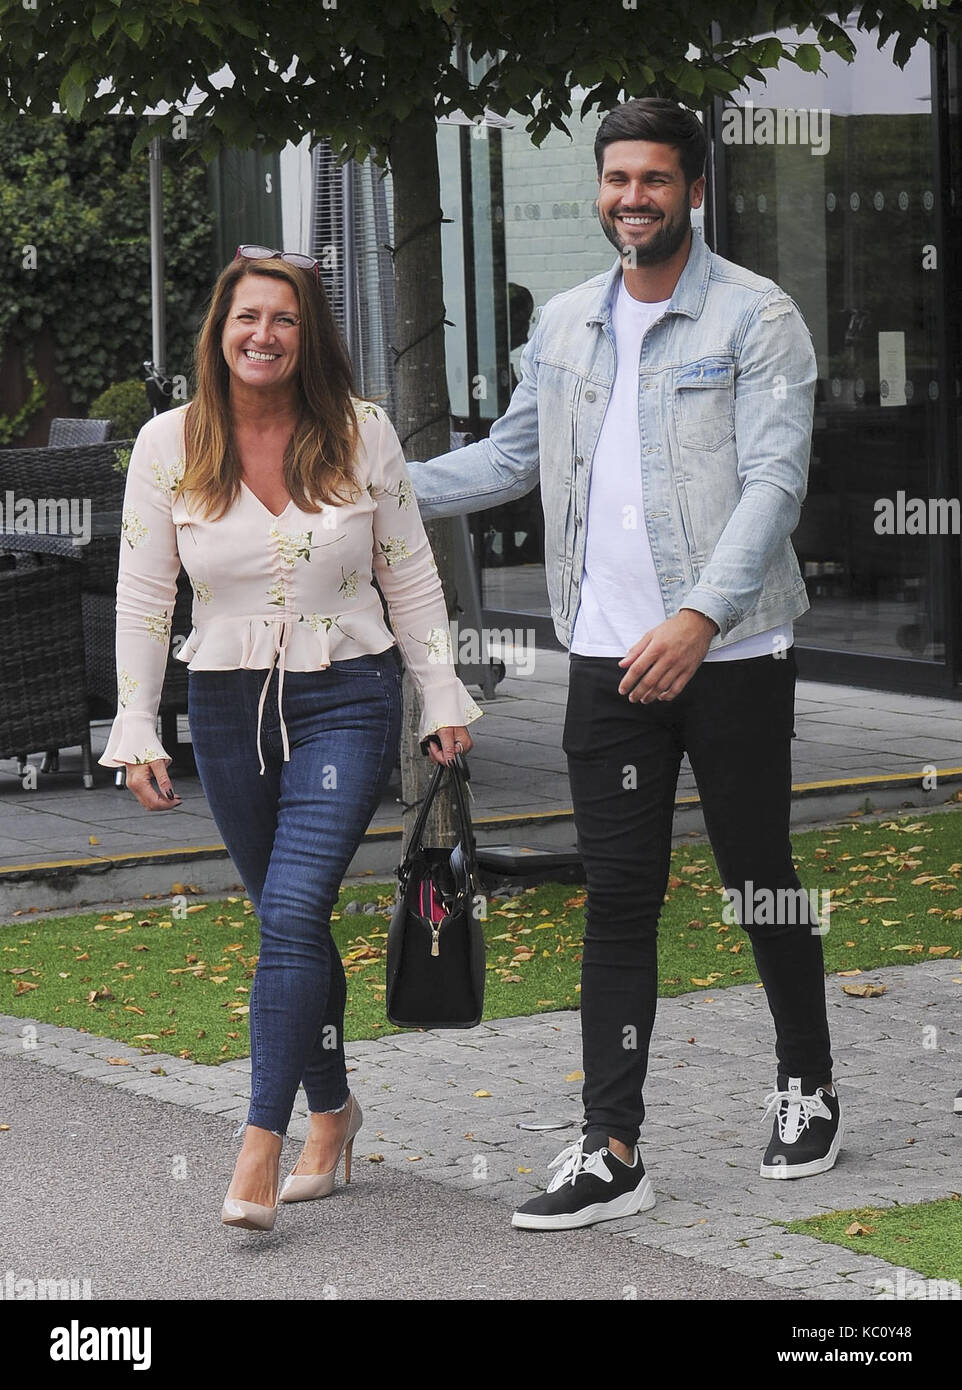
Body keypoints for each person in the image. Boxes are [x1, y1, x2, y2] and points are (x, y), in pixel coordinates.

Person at [406, 98, 839, 1232]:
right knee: (618, 902)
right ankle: (612, 1147)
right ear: (598, 189)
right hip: (604, 662)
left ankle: (806, 1082)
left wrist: (698, 616)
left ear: (691, 188)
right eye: (615, 180)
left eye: (652, 179)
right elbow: (510, 454)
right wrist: (372, 486)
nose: (630, 198)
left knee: (757, 875)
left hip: (732, 651)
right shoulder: (561, 323)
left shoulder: (755, 317)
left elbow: (773, 483)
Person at [98, 245, 481, 1232]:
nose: (261, 335)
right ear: (218, 334)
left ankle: (258, 1144)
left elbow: (409, 572)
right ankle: (336, 1111)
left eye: (282, 319)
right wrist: (136, 720)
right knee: (288, 917)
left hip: (347, 694)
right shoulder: (168, 444)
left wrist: (439, 692)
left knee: (295, 902)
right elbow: (145, 593)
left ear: (307, 336)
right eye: (244, 319)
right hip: (225, 703)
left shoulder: (362, 434)